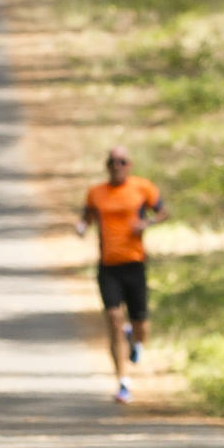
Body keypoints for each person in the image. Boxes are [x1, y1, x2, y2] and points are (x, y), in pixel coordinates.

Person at [75, 146, 166, 404]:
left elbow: (163, 211)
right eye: (113, 162)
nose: (117, 166)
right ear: (107, 166)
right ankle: (123, 383)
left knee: (141, 325)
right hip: (108, 266)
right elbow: (86, 217)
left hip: (135, 264)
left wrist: (147, 223)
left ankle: (135, 340)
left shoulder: (142, 188)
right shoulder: (96, 193)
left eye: (122, 161)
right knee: (114, 319)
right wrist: (81, 227)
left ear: (130, 164)